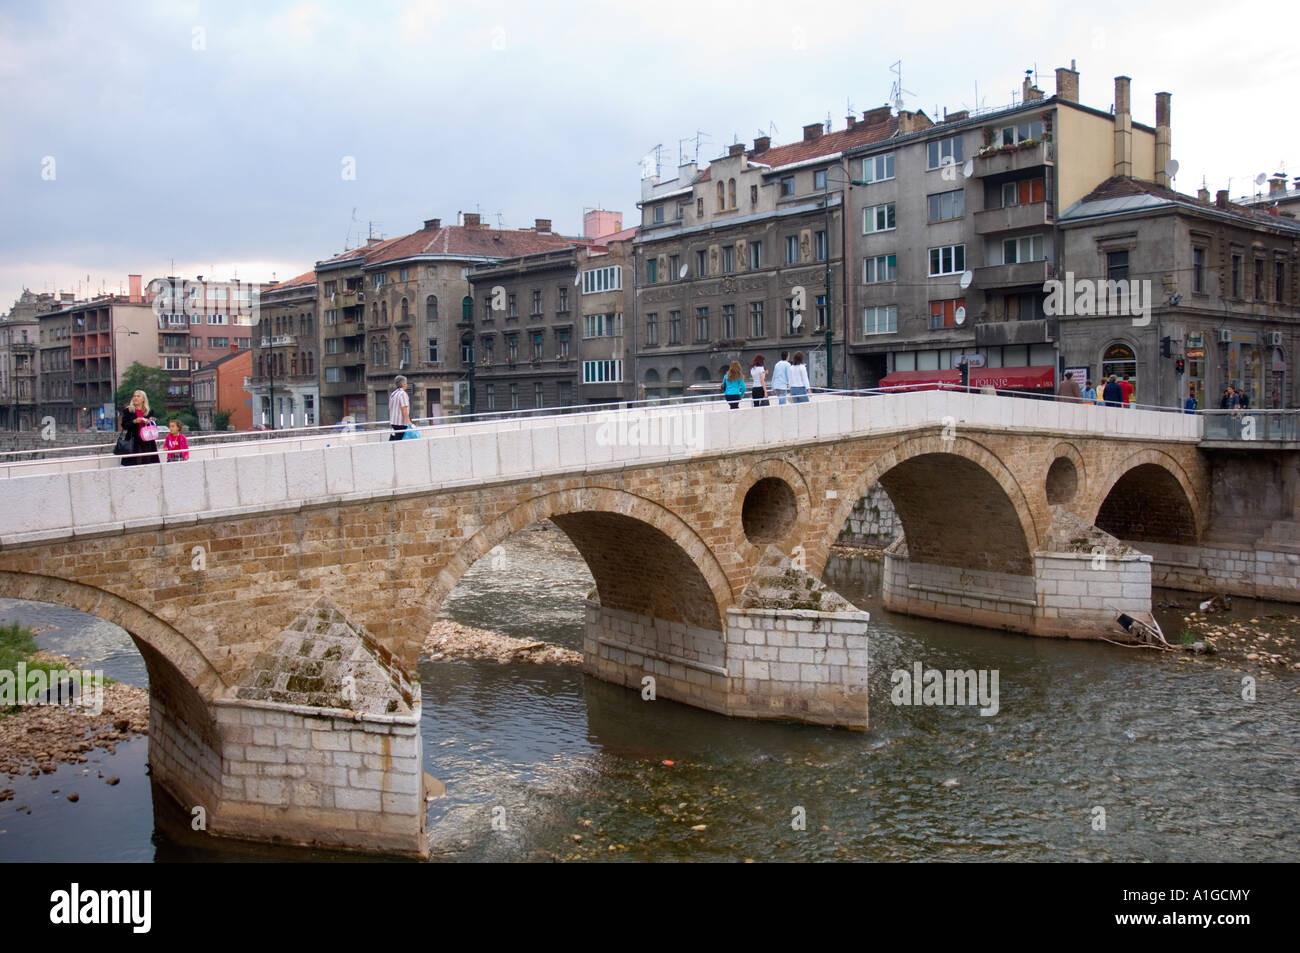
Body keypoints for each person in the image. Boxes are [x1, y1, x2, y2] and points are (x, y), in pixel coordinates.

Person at [118, 390, 160, 466]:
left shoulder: (149, 411)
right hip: (133, 440)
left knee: (148, 462)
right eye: (134, 396)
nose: (136, 398)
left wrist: (149, 422)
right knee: (134, 462)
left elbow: (153, 424)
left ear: (143, 399)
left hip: (147, 440)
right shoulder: (128, 410)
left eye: (138, 396)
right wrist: (134, 421)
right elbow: (124, 425)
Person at [388, 375, 412, 440]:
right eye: (406, 383)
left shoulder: (393, 394)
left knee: (393, 439)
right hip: (400, 423)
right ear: (403, 384)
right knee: (398, 441)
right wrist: (409, 422)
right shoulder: (402, 394)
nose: (406, 385)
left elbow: (390, 408)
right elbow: (404, 409)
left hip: (393, 422)